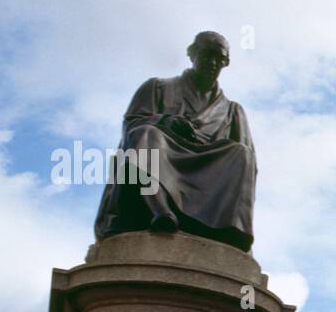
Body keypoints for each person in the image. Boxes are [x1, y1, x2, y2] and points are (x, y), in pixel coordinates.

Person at [94, 31, 257, 251]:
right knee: (146, 134)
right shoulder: (157, 87)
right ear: (192, 54)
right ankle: (161, 211)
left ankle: (228, 229)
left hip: (209, 166)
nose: (213, 62)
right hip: (164, 153)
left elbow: (249, 161)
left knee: (241, 153)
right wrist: (166, 121)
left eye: (220, 58)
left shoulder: (232, 111)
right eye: (207, 55)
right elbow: (131, 127)